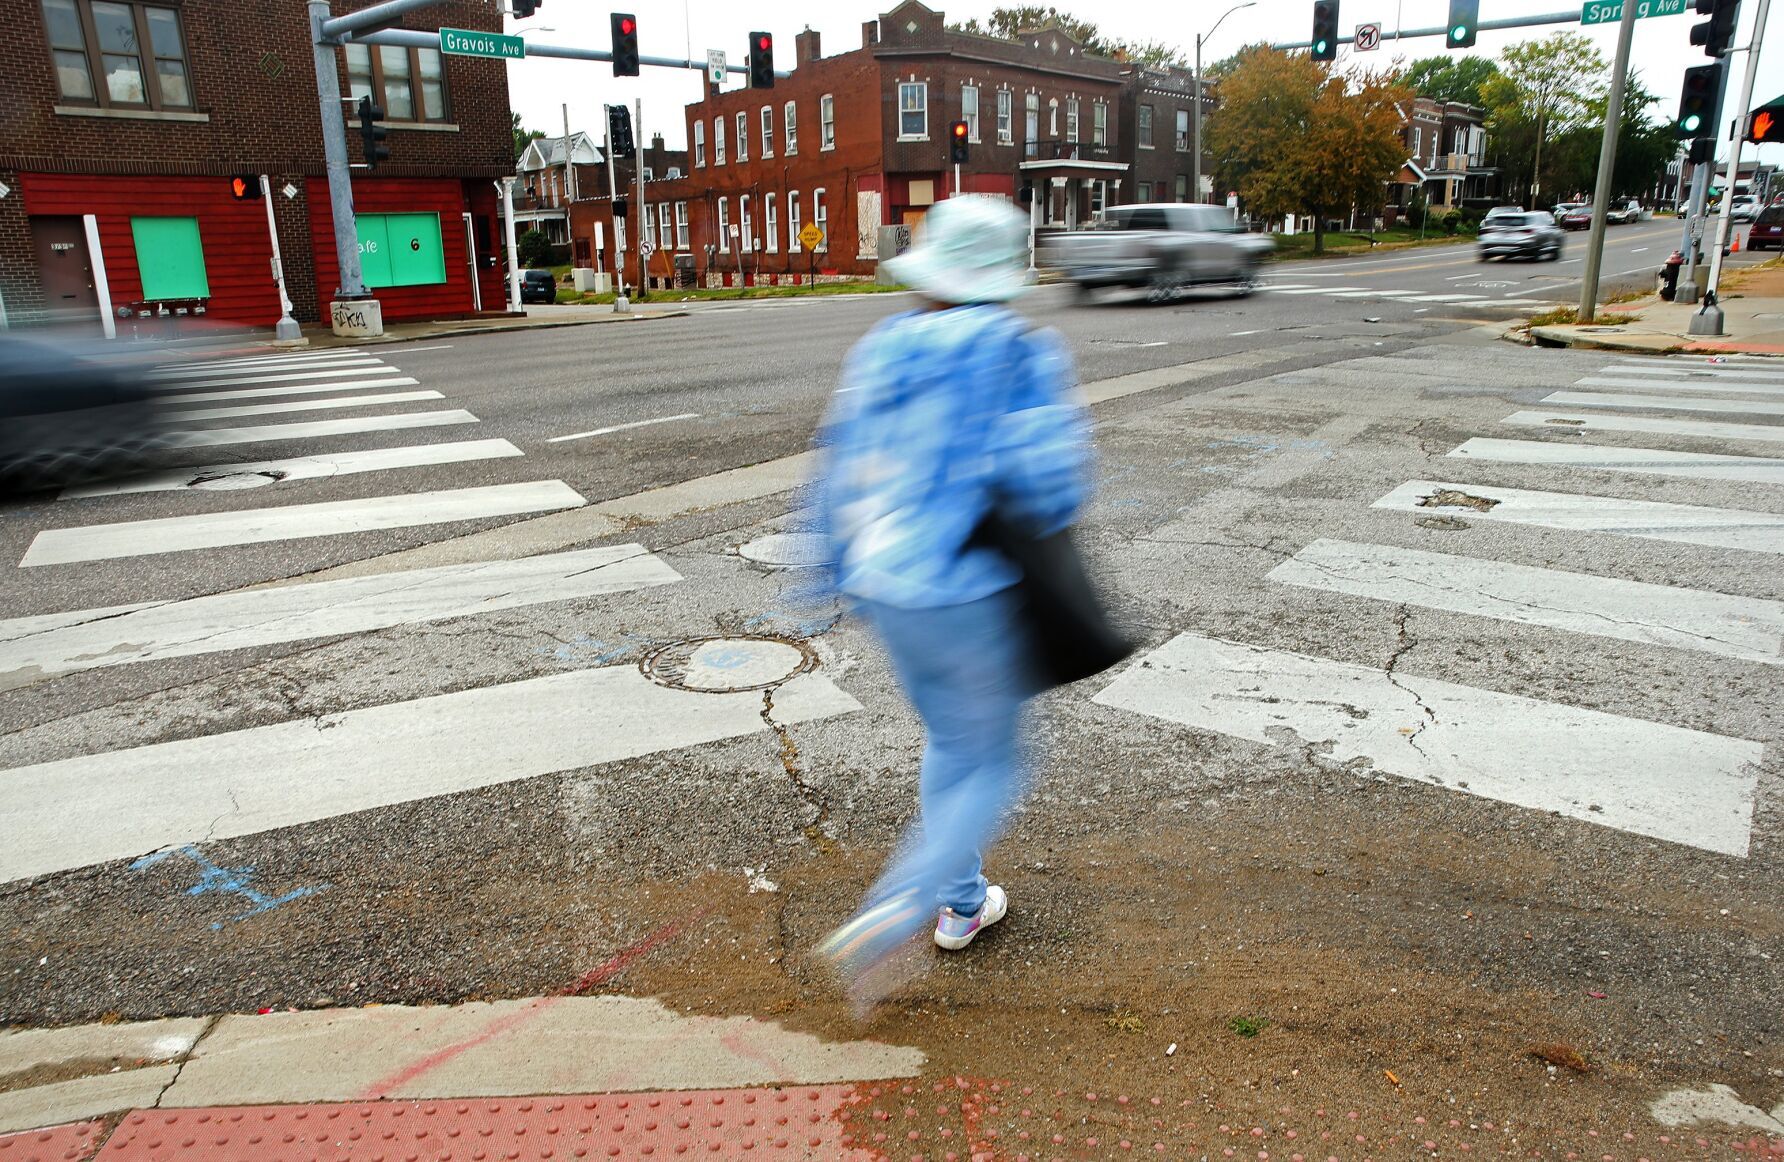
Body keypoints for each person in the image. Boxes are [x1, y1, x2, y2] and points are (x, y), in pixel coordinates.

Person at [811, 196, 1092, 1011]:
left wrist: (829, 575)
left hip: (884, 582)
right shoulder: (1016, 351)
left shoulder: (883, 347)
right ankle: (899, 906)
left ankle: (962, 903)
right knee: (996, 758)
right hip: (967, 588)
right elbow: (1051, 487)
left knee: (952, 740)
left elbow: (836, 470)